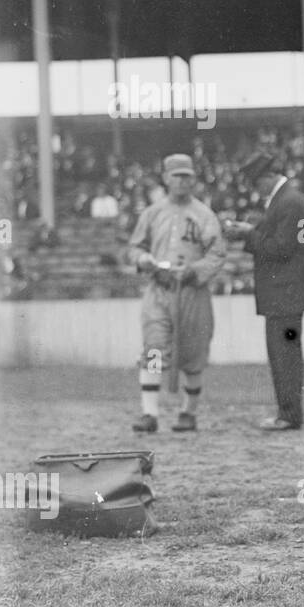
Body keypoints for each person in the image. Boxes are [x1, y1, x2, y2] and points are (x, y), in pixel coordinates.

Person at [127, 154, 226, 433]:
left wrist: (195, 270)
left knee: (193, 353)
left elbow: (217, 253)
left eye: (187, 176)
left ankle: (188, 412)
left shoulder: (204, 214)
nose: (182, 181)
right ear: (166, 178)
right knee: (154, 348)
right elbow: (134, 247)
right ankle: (150, 414)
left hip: (192, 291)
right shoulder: (152, 213)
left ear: (194, 179)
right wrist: (143, 258)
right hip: (160, 288)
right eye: (177, 175)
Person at [223, 151, 304, 431]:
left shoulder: (288, 202)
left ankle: (289, 415)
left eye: (257, 184)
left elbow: (280, 248)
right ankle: (288, 413)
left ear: (267, 178)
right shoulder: (289, 199)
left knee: (285, 355)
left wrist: (246, 234)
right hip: (286, 295)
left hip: (285, 296)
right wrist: (252, 230)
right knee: (285, 354)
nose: (256, 191)